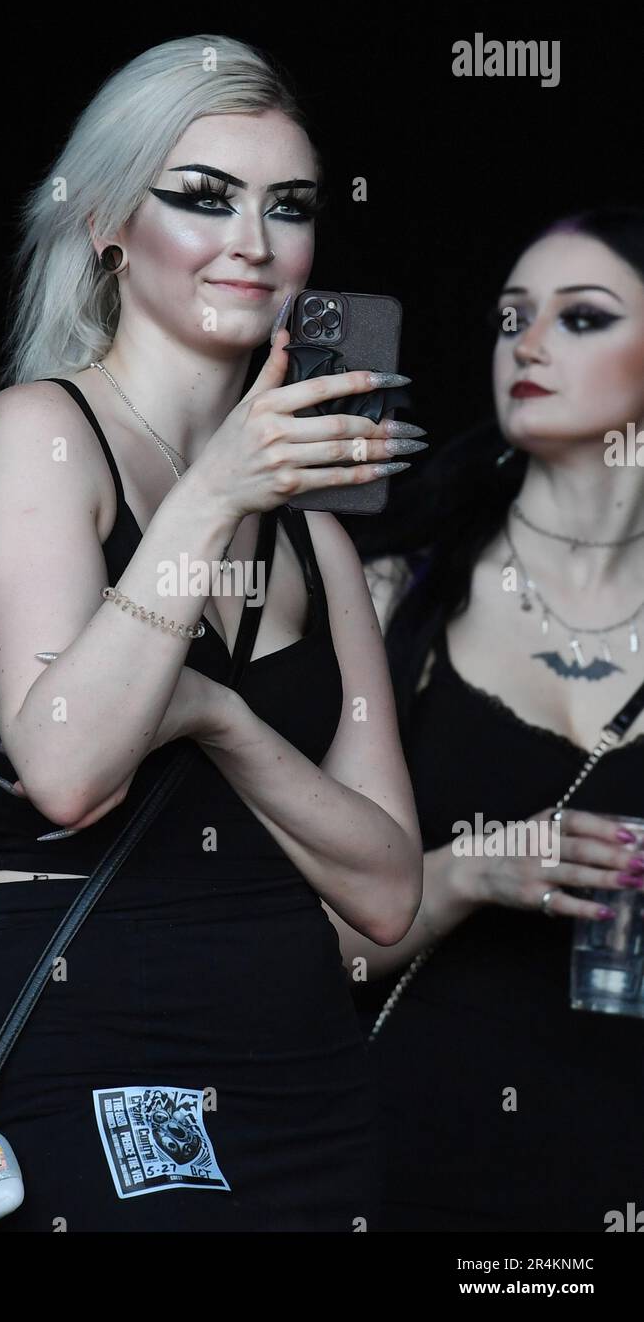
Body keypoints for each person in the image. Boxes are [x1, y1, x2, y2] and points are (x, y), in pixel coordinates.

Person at [0, 33, 424, 1232]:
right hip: (90, 1042)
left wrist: (220, 715)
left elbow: (389, 890)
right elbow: (67, 769)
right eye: (202, 198)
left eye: (286, 207)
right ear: (104, 221)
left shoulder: (320, 540)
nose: (250, 242)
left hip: (303, 1080)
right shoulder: (38, 437)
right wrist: (214, 491)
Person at [325, 206, 644, 1233]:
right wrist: (473, 869)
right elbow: (299, 943)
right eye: (511, 318)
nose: (529, 343)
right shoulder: (394, 592)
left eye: (581, 317)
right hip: (417, 1159)